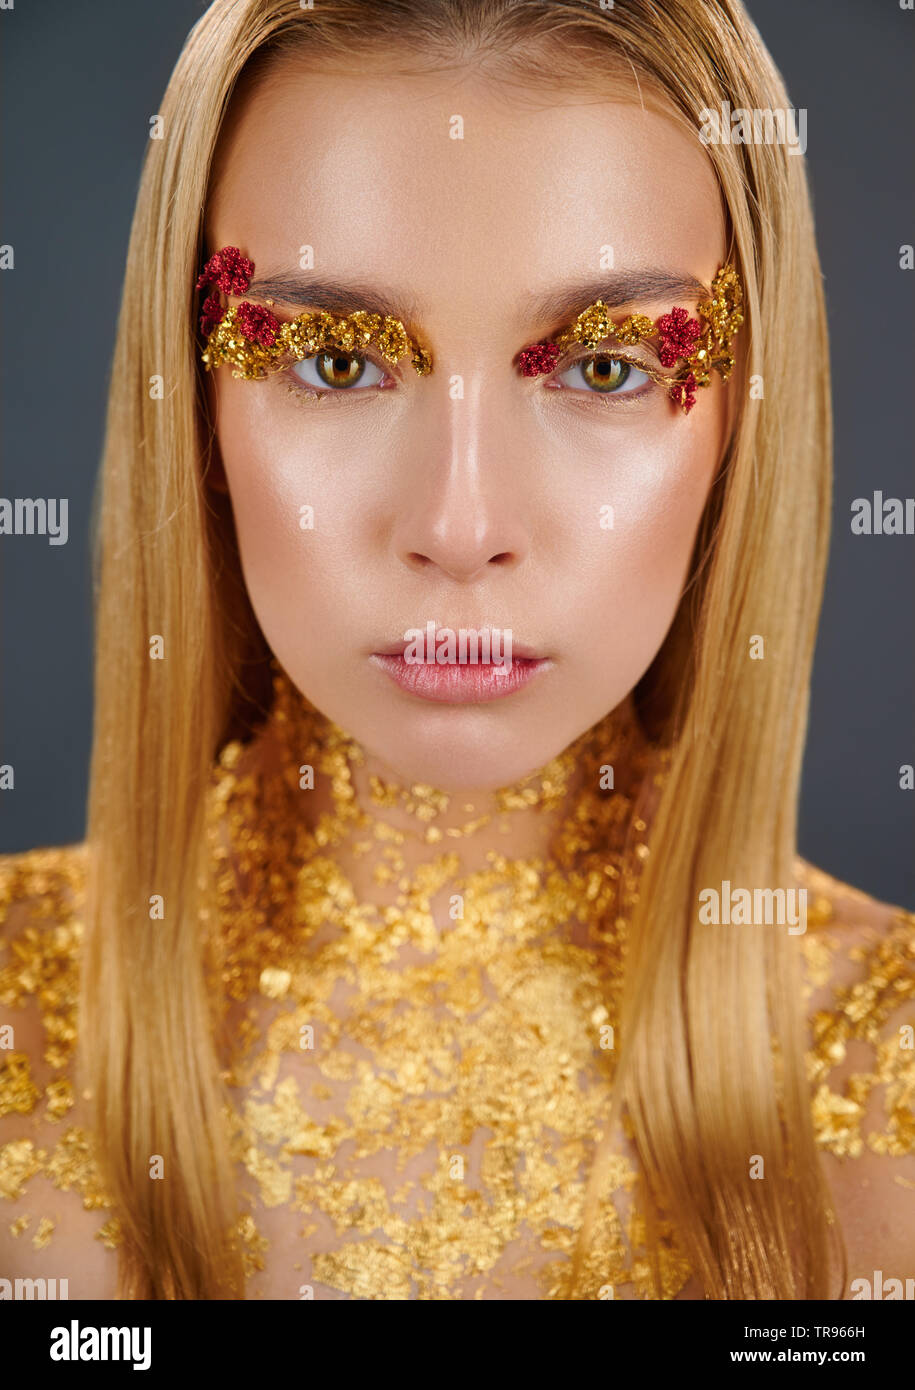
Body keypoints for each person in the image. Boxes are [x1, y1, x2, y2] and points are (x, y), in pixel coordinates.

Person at [1, 0, 912, 1301]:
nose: (459, 524)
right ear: (192, 401)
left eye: (602, 368)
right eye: (330, 360)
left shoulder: (892, 1072)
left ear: (742, 429)